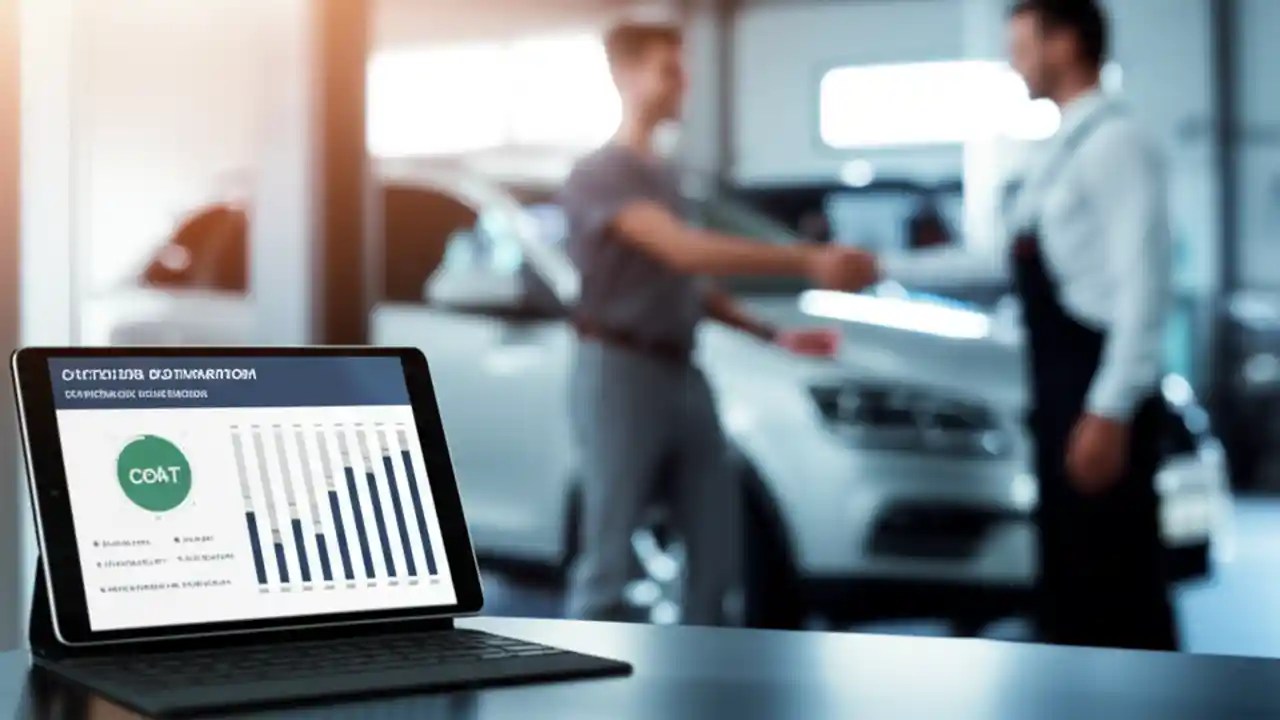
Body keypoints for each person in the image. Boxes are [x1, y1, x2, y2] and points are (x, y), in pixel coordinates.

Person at [867, 0, 1179, 650]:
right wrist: (879, 265)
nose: (1015, 64)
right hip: (1062, 392)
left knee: (1118, 589)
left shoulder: (1117, 143)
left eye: (1022, 47)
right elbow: (993, 258)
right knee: (1073, 587)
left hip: (1095, 394)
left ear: (1064, 44)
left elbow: (1143, 293)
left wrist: (1110, 411)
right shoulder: (1058, 150)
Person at [559, 21, 875, 625]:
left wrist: (773, 334)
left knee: (717, 552)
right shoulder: (601, 173)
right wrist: (808, 261)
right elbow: (681, 251)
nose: (684, 83)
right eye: (668, 70)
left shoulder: (665, 177)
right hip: (619, 372)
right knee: (608, 557)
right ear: (625, 77)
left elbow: (688, 284)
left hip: (681, 369)